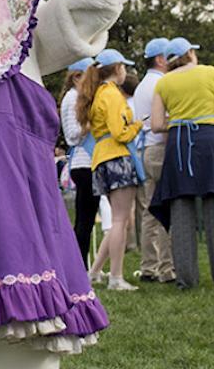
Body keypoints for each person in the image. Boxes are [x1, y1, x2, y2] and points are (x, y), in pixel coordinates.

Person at [149, 37, 214, 292]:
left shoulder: (164, 82)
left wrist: (181, 118)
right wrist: (213, 114)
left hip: (179, 146)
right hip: (210, 142)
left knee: (181, 214)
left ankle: (186, 281)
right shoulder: (211, 73)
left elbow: (157, 125)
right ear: (190, 53)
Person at [76, 49, 143, 291]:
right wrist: (137, 126)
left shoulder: (97, 94)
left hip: (101, 158)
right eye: (124, 67)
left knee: (117, 220)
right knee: (120, 220)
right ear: (116, 69)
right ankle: (116, 277)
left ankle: (94, 273)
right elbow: (120, 132)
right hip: (117, 156)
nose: (126, 71)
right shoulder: (113, 95)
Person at [130, 38, 174, 283]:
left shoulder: (141, 86)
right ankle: (168, 268)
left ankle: (149, 266)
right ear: (160, 59)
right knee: (169, 207)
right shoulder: (162, 84)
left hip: (145, 150)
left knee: (149, 211)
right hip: (160, 148)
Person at [58, 57, 95, 268]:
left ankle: (81, 264)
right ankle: (78, 264)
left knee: (86, 218)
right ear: (77, 76)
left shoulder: (77, 97)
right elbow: (72, 135)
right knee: (84, 219)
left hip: (87, 161)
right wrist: (91, 124)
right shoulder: (72, 99)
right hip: (83, 162)